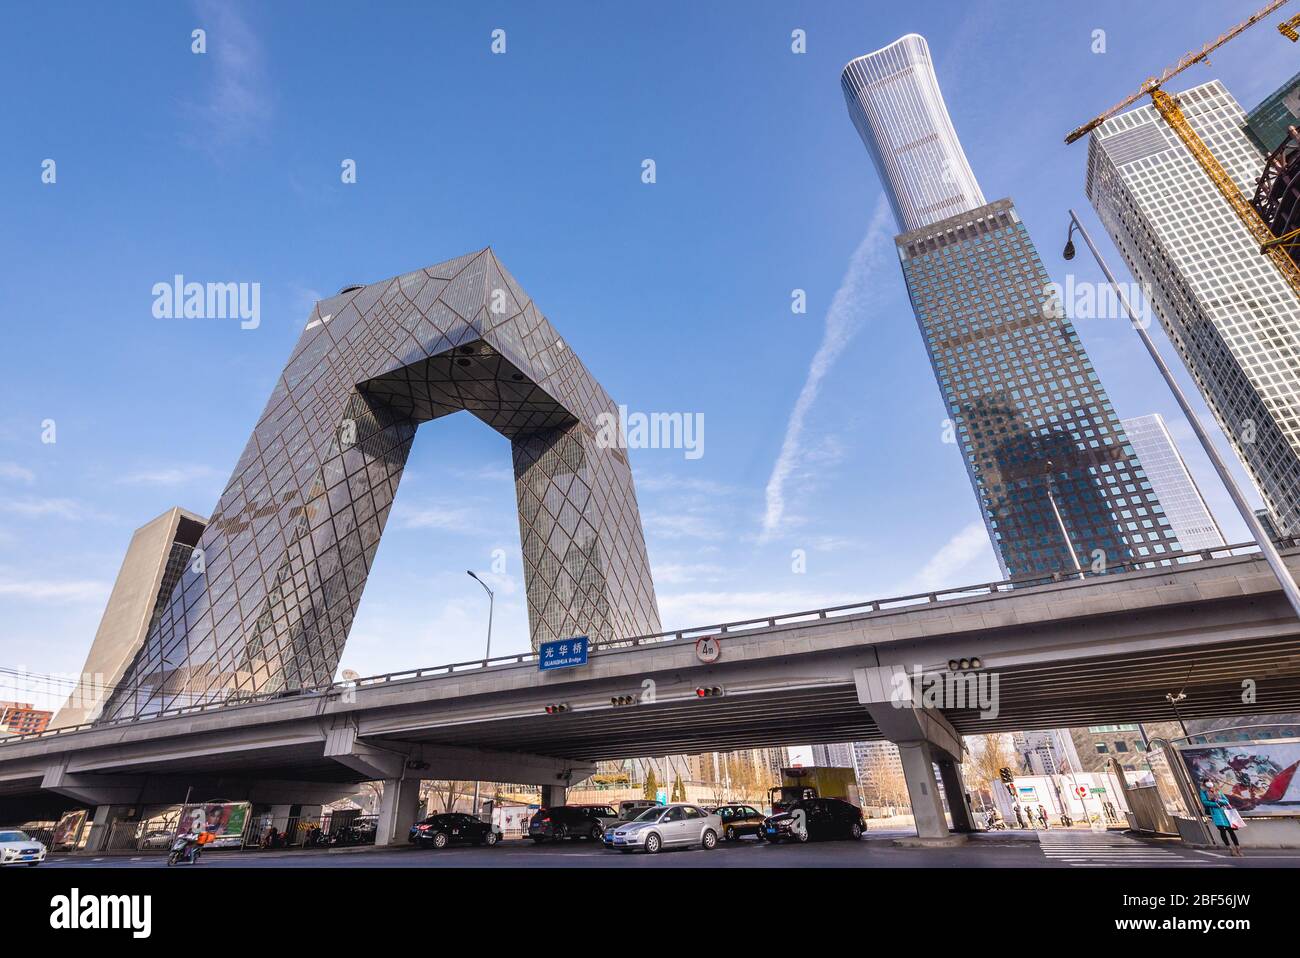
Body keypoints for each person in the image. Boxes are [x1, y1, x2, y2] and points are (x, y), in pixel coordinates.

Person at [1200, 778, 1242, 857]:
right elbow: (1205, 802)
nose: (1209, 783)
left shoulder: (1217, 790)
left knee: (1231, 830)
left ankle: (1238, 848)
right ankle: (1230, 849)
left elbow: (1226, 800)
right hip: (1215, 813)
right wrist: (1215, 804)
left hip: (1225, 812)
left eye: (1210, 781)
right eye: (1207, 782)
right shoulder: (1203, 792)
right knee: (1222, 830)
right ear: (1204, 784)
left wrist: (1218, 801)